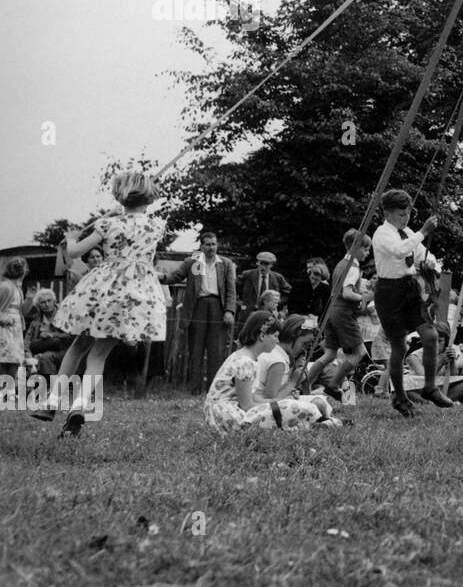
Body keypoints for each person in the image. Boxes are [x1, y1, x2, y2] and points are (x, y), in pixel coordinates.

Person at [40, 172, 170, 435]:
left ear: (120, 196)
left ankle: (52, 400)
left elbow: (74, 254)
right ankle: (78, 405)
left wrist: (72, 237)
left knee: (78, 346)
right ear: (148, 197)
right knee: (99, 355)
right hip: (134, 296)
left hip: (102, 292)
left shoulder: (107, 225)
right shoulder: (157, 227)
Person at [370, 188, 454, 416]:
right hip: (389, 293)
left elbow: (423, 254)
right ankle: (400, 397)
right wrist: (424, 231)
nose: (405, 218)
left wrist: (430, 264)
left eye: (407, 214)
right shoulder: (382, 234)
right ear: (387, 213)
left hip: (409, 289)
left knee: (431, 335)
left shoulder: (406, 232)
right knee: (400, 346)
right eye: (400, 214)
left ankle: (429, 387)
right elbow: (399, 252)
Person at [205, 312, 335, 433]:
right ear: (262, 336)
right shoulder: (245, 362)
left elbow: (253, 397)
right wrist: (282, 402)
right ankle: (322, 424)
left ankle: (321, 423)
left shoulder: (245, 357)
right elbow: (247, 406)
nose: (278, 341)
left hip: (224, 414)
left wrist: (281, 402)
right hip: (228, 416)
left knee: (296, 406)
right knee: (305, 407)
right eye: (275, 336)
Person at [301, 230, 374, 399]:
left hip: (331, 312)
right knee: (359, 353)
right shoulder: (353, 268)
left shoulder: (341, 264)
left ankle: (307, 383)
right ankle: (333, 385)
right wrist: (365, 297)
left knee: (330, 353)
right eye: (365, 249)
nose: (367, 252)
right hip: (343, 313)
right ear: (355, 247)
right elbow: (347, 293)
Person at [161, 231, 237, 389]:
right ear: (201, 246)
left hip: (217, 307)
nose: (211, 248)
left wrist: (229, 311)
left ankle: (212, 388)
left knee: (216, 349)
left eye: (214, 244)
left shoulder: (225, 263)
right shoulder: (193, 262)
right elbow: (176, 276)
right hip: (197, 307)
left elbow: (231, 289)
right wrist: (161, 278)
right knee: (196, 348)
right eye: (208, 245)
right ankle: (195, 388)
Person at [237, 252, 291, 328]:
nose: (263, 267)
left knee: (265, 337)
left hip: (269, 315)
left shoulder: (277, 278)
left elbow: (289, 292)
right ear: (257, 263)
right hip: (248, 314)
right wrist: (239, 302)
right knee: (245, 336)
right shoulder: (247, 275)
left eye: (266, 264)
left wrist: (277, 302)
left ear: (271, 265)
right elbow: (233, 288)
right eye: (261, 263)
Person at [0, 258, 27, 382]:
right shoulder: (5, 287)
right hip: (5, 329)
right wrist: (5, 319)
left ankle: (8, 390)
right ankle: (3, 390)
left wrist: (30, 300)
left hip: (15, 329)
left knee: (15, 359)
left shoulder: (17, 288)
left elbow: (21, 311)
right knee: (4, 359)